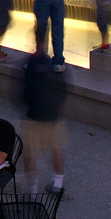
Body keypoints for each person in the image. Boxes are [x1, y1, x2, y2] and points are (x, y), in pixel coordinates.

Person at [20, 49, 68, 195]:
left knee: (28, 151)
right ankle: (58, 184)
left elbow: (23, 90)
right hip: (53, 115)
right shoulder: (55, 64)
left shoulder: (30, 63)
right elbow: (63, 88)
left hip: (35, 115)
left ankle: (33, 189)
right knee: (56, 148)